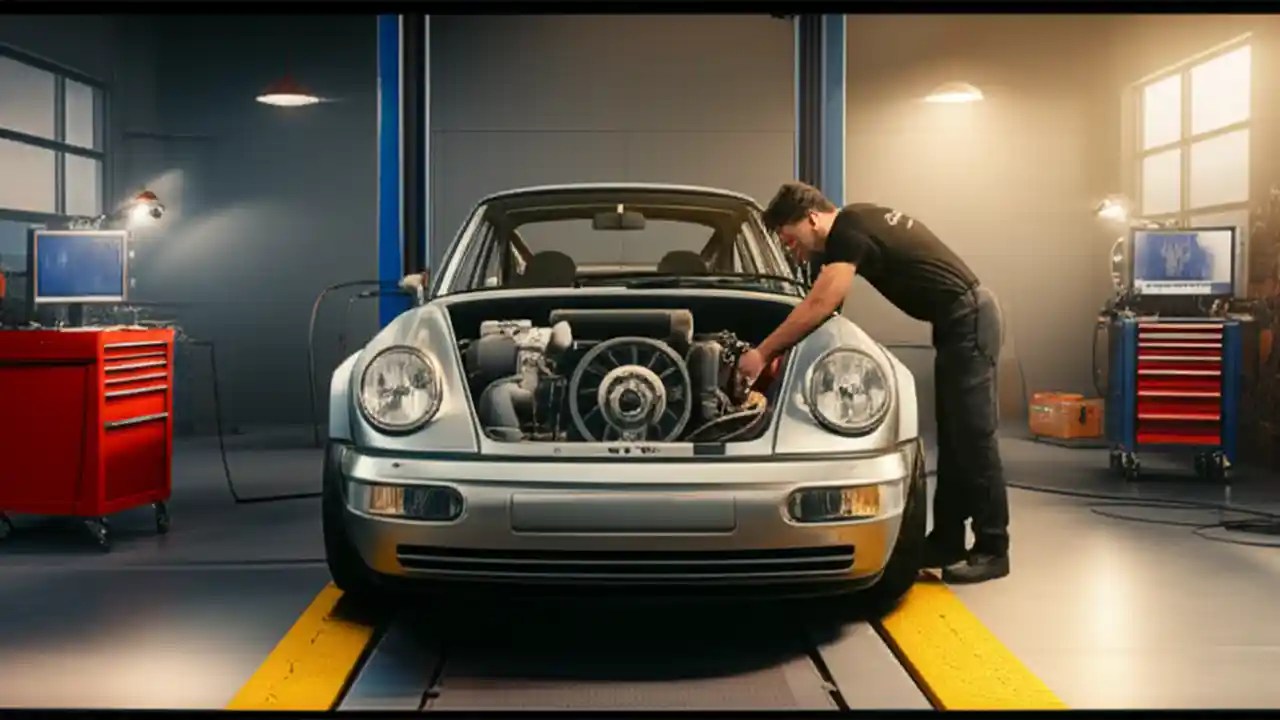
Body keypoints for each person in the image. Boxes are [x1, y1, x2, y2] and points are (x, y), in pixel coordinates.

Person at [736, 181, 1010, 583]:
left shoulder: (848, 229)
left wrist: (763, 354)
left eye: (790, 239)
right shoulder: (856, 225)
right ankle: (948, 540)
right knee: (953, 435)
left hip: (969, 316)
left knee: (974, 435)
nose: (792, 250)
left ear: (812, 218)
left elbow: (821, 304)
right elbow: (826, 315)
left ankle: (993, 547)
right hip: (958, 321)